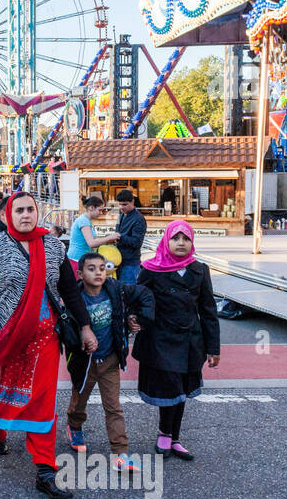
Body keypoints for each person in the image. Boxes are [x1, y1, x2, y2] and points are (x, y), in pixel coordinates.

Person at [0, 192, 95, 499]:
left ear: (37, 212)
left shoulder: (54, 246)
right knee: (1, 391)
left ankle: (44, 468)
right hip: (6, 337)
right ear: (7, 214)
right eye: (19, 210)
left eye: (30, 209)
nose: (26, 215)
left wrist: (84, 326)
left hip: (45, 340)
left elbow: (69, 289)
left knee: (42, 400)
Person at [132, 221, 220, 461]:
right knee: (170, 387)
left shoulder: (200, 269)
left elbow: (209, 310)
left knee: (181, 390)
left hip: (191, 341)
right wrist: (133, 318)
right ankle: (164, 433)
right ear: (166, 241)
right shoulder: (151, 269)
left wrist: (213, 348)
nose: (181, 243)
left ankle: (175, 437)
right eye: (176, 238)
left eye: (186, 239)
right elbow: (138, 299)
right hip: (160, 339)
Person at [63, 253, 154, 473]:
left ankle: (120, 453)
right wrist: (78, 341)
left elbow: (145, 295)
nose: (98, 273)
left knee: (114, 408)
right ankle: (74, 426)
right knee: (79, 402)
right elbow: (65, 328)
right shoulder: (74, 297)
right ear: (80, 273)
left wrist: (136, 318)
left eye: (102, 268)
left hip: (110, 360)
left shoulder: (116, 289)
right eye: (92, 268)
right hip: (85, 363)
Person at [68, 195, 120, 271]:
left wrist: (106, 240)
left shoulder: (85, 220)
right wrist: (109, 237)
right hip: (77, 260)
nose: (101, 213)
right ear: (91, 208)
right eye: (99, 210)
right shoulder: (84, 221)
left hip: (80, 259)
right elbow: (91, 243)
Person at [114, 189, 148, 285]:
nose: (121, 207)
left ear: (132, 201)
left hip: (131, 263)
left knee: (128, 294)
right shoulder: (121, 215)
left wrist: (119, 237)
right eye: (120, 204)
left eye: (125, 204)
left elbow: (137, 242)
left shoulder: (139, 219)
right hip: (119, 262)